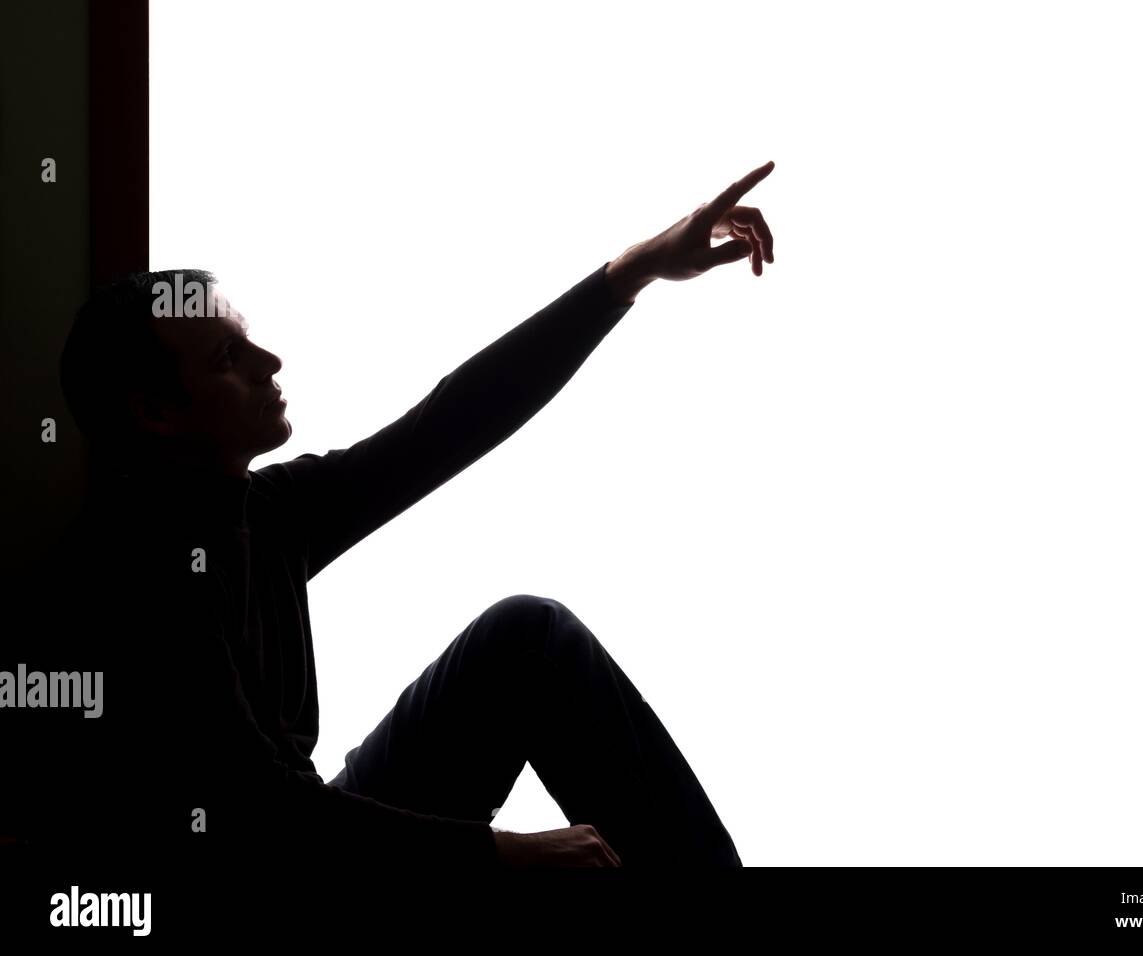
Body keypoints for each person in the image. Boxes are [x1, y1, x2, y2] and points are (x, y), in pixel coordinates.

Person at [18, 161, 776, 869]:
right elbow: (261, 818)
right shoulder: (132, 570)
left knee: (527, 639)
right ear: (155, 412)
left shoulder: (265, 513)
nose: (269, 364)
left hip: (310, 837)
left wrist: (633, 271)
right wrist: (502, 856)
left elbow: (449, 424)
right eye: (227, 359)